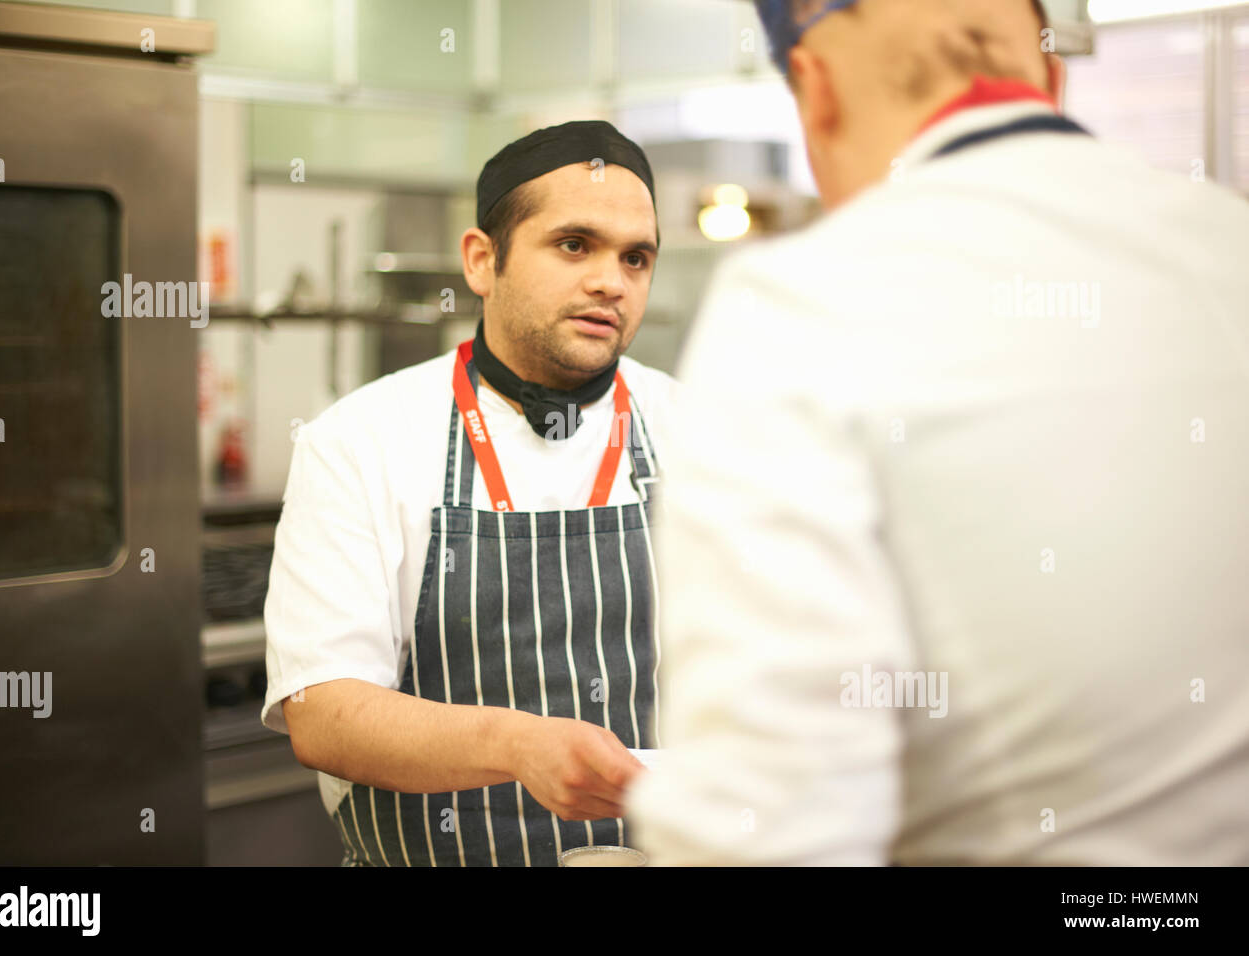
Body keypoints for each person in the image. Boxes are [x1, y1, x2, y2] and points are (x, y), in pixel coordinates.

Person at [624, 0, 1249, 865]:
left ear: (817, 91)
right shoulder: (1230, 246)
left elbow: (764, 831)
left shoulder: (802, 306)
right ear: (1051, 76)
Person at [262, 120, 677, 866]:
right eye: (575, 244)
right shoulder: (361, 441)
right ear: (482, 261)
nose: (611, 281)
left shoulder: (700, 433)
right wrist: (519, 745)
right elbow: (324, 714)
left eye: (636, 257)